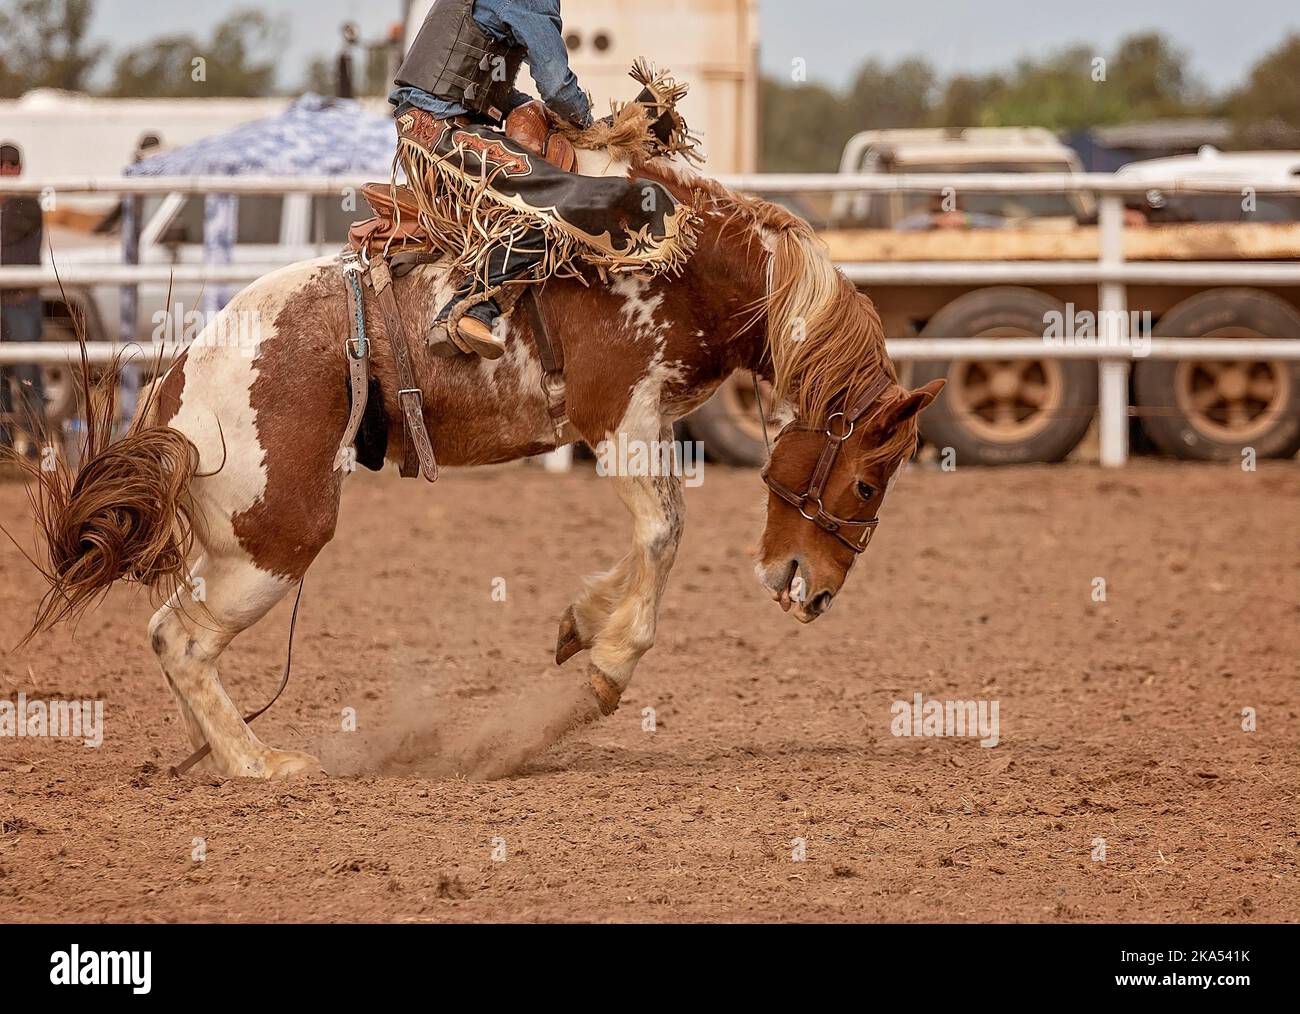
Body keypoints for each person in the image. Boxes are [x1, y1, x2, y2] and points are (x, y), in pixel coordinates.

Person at [391, 0, 696, 359]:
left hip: (429, 125)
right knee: (556, 202)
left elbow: (475, 79)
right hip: (441, 134)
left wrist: (524, 106)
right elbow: (556, 85)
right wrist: (594, 128)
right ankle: (471, 307)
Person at [0, 141, 47, 458]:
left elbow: (7, 238)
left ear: (20, 169)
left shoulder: (28, 204)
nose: (7, 170)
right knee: (2, 380)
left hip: (21, 302)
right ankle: (4, 449)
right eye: (2, 164)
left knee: (29, 377)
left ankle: (34, 448)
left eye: (11, 165)